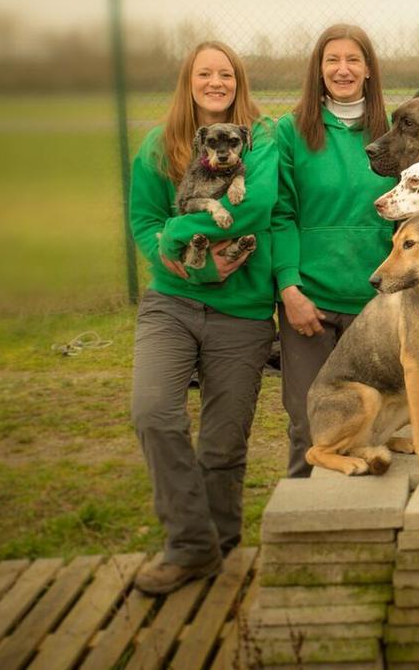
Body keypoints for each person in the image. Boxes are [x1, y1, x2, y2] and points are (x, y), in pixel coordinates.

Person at [127, 40, 275, 595]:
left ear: (239, 82)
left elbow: (254, 206)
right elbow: (145, 221)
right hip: (171, 303)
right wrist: (172, 246)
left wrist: (181, 232)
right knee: (153, 414)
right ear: (188, 81)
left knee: (223, 443)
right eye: (205, 73)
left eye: (226, 74)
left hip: (242, 309)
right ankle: (191, 546)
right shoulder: (158, 144)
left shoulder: (261, 138)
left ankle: (222, 548)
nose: (216, 82)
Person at [272, 24, 394, 477]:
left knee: (375, 424)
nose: (343, 70)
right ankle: (304, 513)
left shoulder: (391, 131)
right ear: (319, 69)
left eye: (353, 60)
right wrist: (289, 288)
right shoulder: (291, 131)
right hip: (311, 305)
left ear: (369, 69)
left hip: (376, 304)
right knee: (311, 427)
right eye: (333, 60)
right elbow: (280, 215)